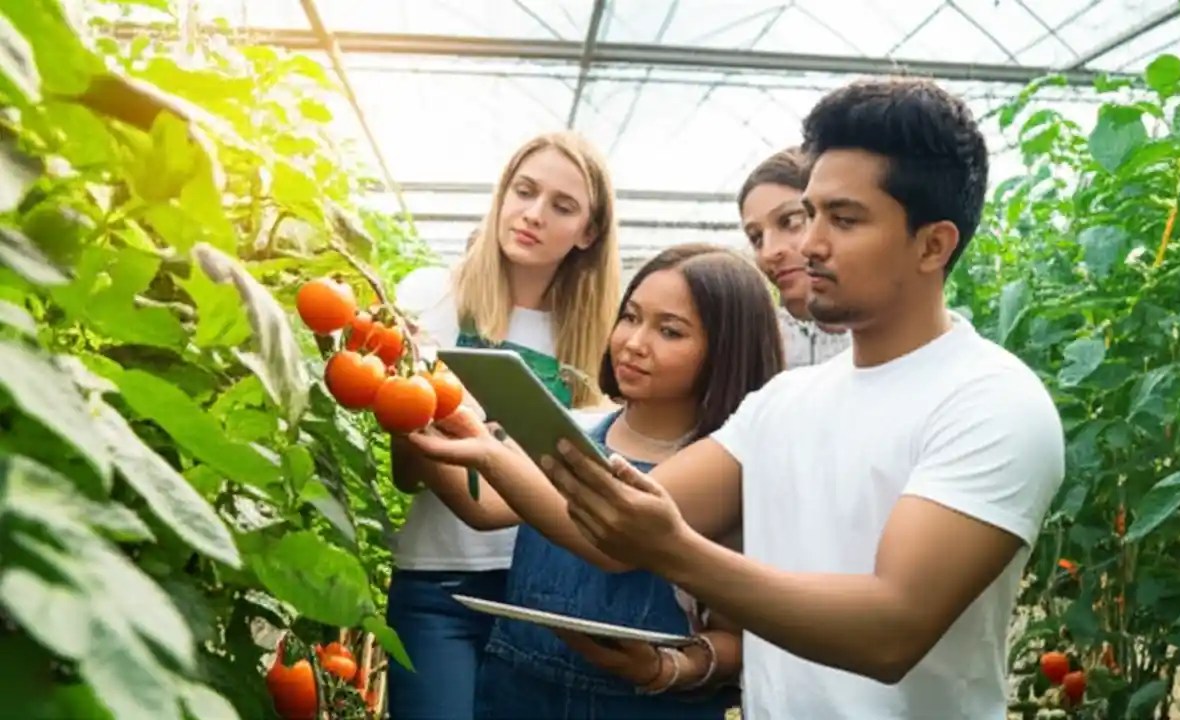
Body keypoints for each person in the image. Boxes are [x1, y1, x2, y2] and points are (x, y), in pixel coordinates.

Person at [539, 79, 1067, 718]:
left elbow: (891, 629)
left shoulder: (993, 402)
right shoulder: (784, 402)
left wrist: (673, 549)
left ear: (934, 244)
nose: (809, 243)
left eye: (844, 219)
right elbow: (613, 533)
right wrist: (481, 446)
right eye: (810, 212)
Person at [401, 243, 783, 718]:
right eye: (631, 317)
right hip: (517, 692)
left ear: (727, 351)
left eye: (670, 331)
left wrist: (667, 668)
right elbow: (482, 507)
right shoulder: (577, 430)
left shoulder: (718, 468)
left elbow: (730, 632)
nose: (635, 342)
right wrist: (408, 401)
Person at [385, 130, 621, 719]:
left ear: (588, 233)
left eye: (562, 207)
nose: (533, 214)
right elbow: (405, 473)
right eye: (524, 191)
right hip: (437, 583)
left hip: (547, 594)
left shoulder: (600, 340)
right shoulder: (428, 298)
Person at [738, 146, 852, 368]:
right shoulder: (754, 350)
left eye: (791, 222)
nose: (770, 252)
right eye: (756, 238)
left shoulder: (910, 348)